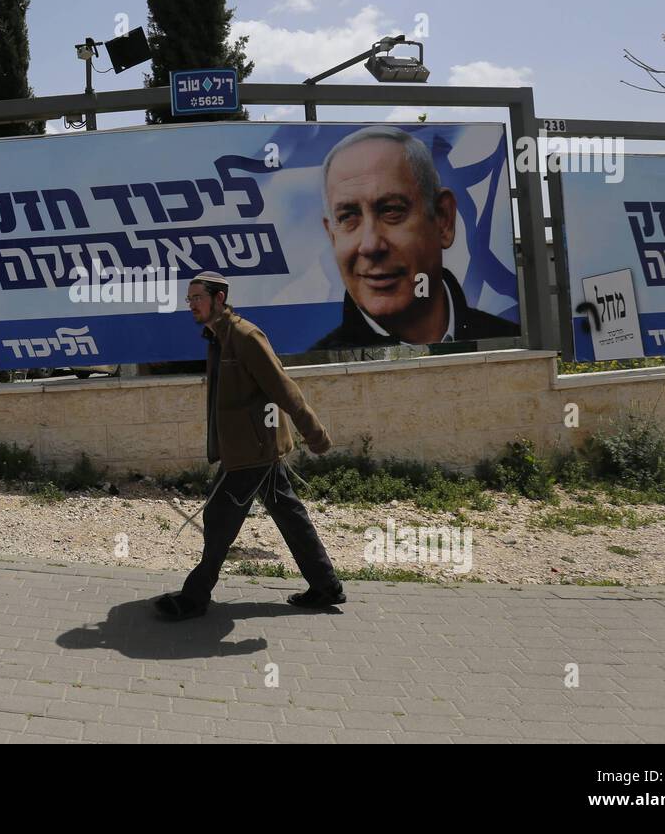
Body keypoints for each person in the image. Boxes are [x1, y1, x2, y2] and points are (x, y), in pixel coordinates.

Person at [154, 272, 345, 620]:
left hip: (252, 451)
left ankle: (195, 597)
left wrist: (314, 433)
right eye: (189, 299)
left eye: (197, 297)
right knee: (289, 514)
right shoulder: (218, 338)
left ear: (219, 298)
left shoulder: (245, 336)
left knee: (218, 518)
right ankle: (326, 585)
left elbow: (283, 387)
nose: (192, 304)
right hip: (251, 447)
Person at [310, 126, 520, 350]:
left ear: (443, 219)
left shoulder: (508, 343)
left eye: (391, 210)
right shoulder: (314, 367)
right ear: (332, 236)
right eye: (348, 217)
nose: (370, 245)